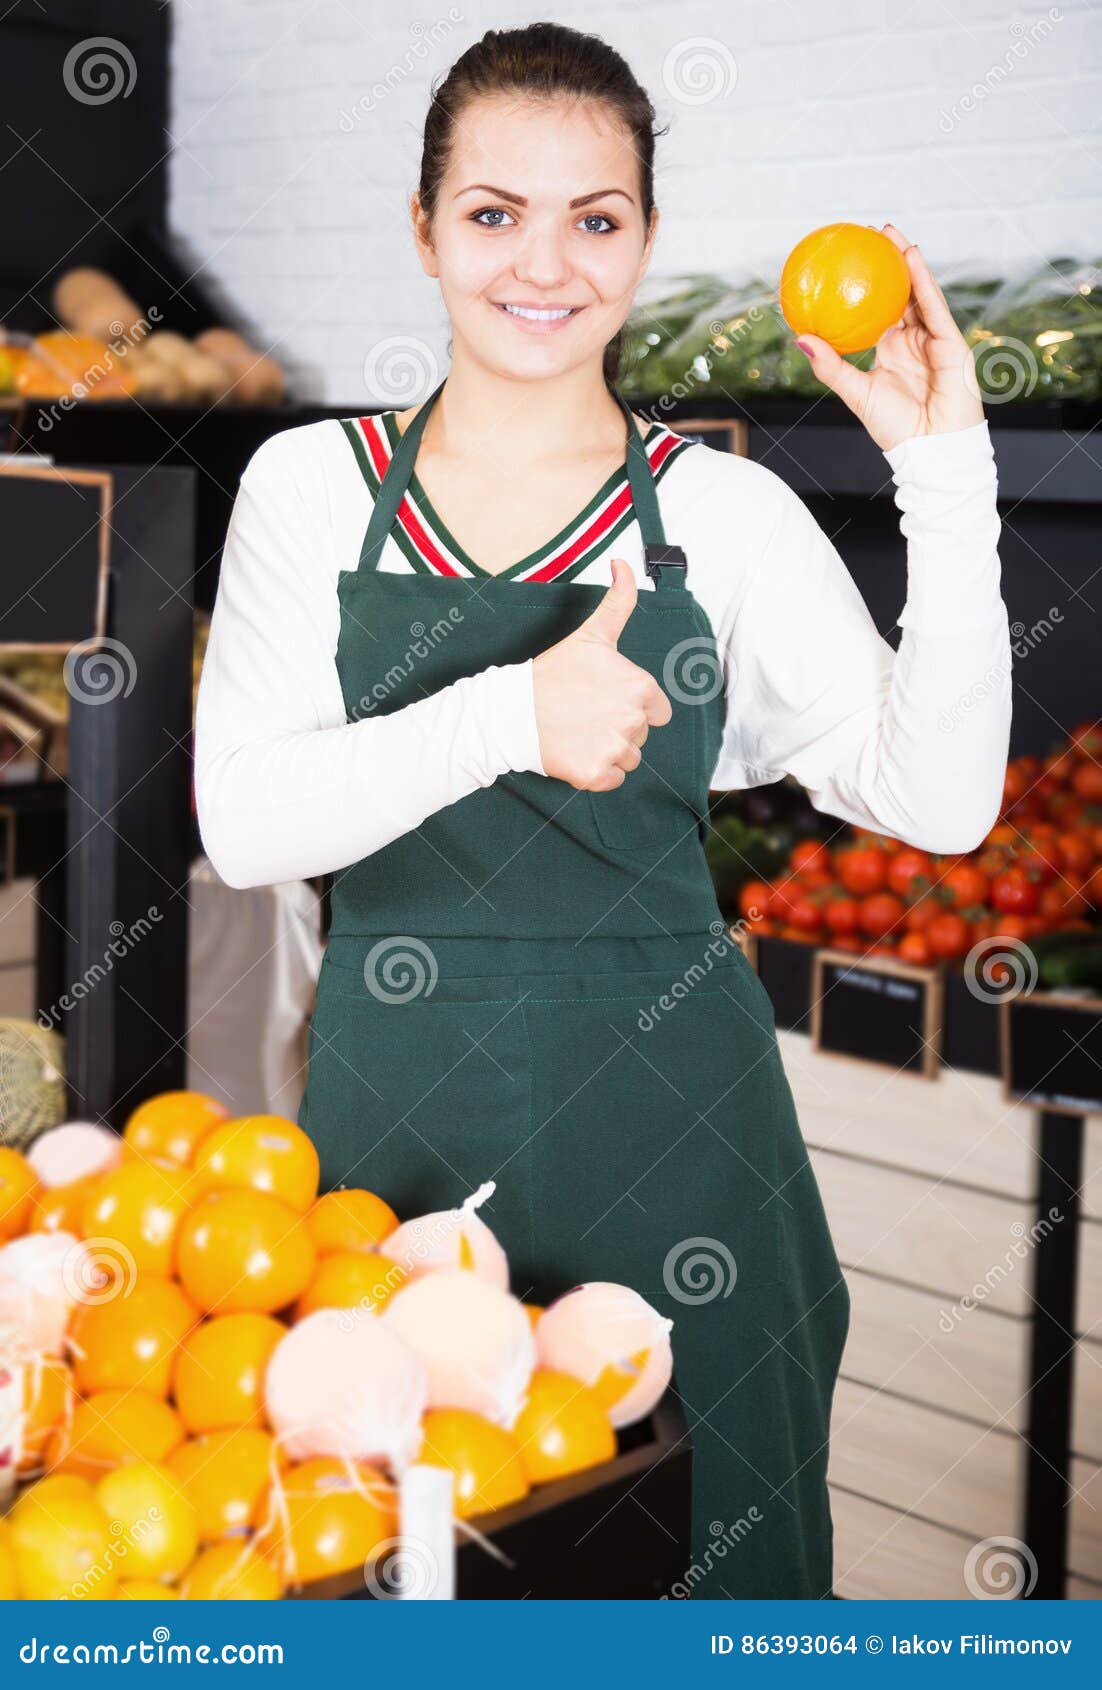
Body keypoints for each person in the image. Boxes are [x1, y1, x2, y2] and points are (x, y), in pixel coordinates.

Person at [194, 23, 1010, 1599]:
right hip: (394, 1147)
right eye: (493, 212)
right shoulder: (310, 486)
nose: (543, 264)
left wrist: (944, 465)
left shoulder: (722, 514)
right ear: (422, 227)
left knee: (713, 1583)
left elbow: (942, 800)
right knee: (412, 1575)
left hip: (685, 1146)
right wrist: (511, 711)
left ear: (641, 238)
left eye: (597, 216)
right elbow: (245, 820)